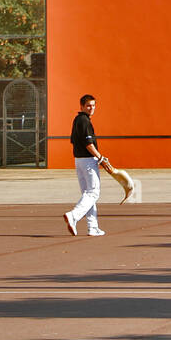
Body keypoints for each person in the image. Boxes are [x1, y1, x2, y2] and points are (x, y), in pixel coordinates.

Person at [63, 94, 106, 237]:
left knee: (88, 195)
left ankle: (92, 227)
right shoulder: (84, 121)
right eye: (88, 105)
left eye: (93, 105)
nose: (91, 108)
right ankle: (73, 215)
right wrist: (100, 157)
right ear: (81, 106)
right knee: (93, 192)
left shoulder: (77, 120)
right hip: (88, 160)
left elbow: (74, 141)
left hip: (79, 161)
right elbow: (89, 143)